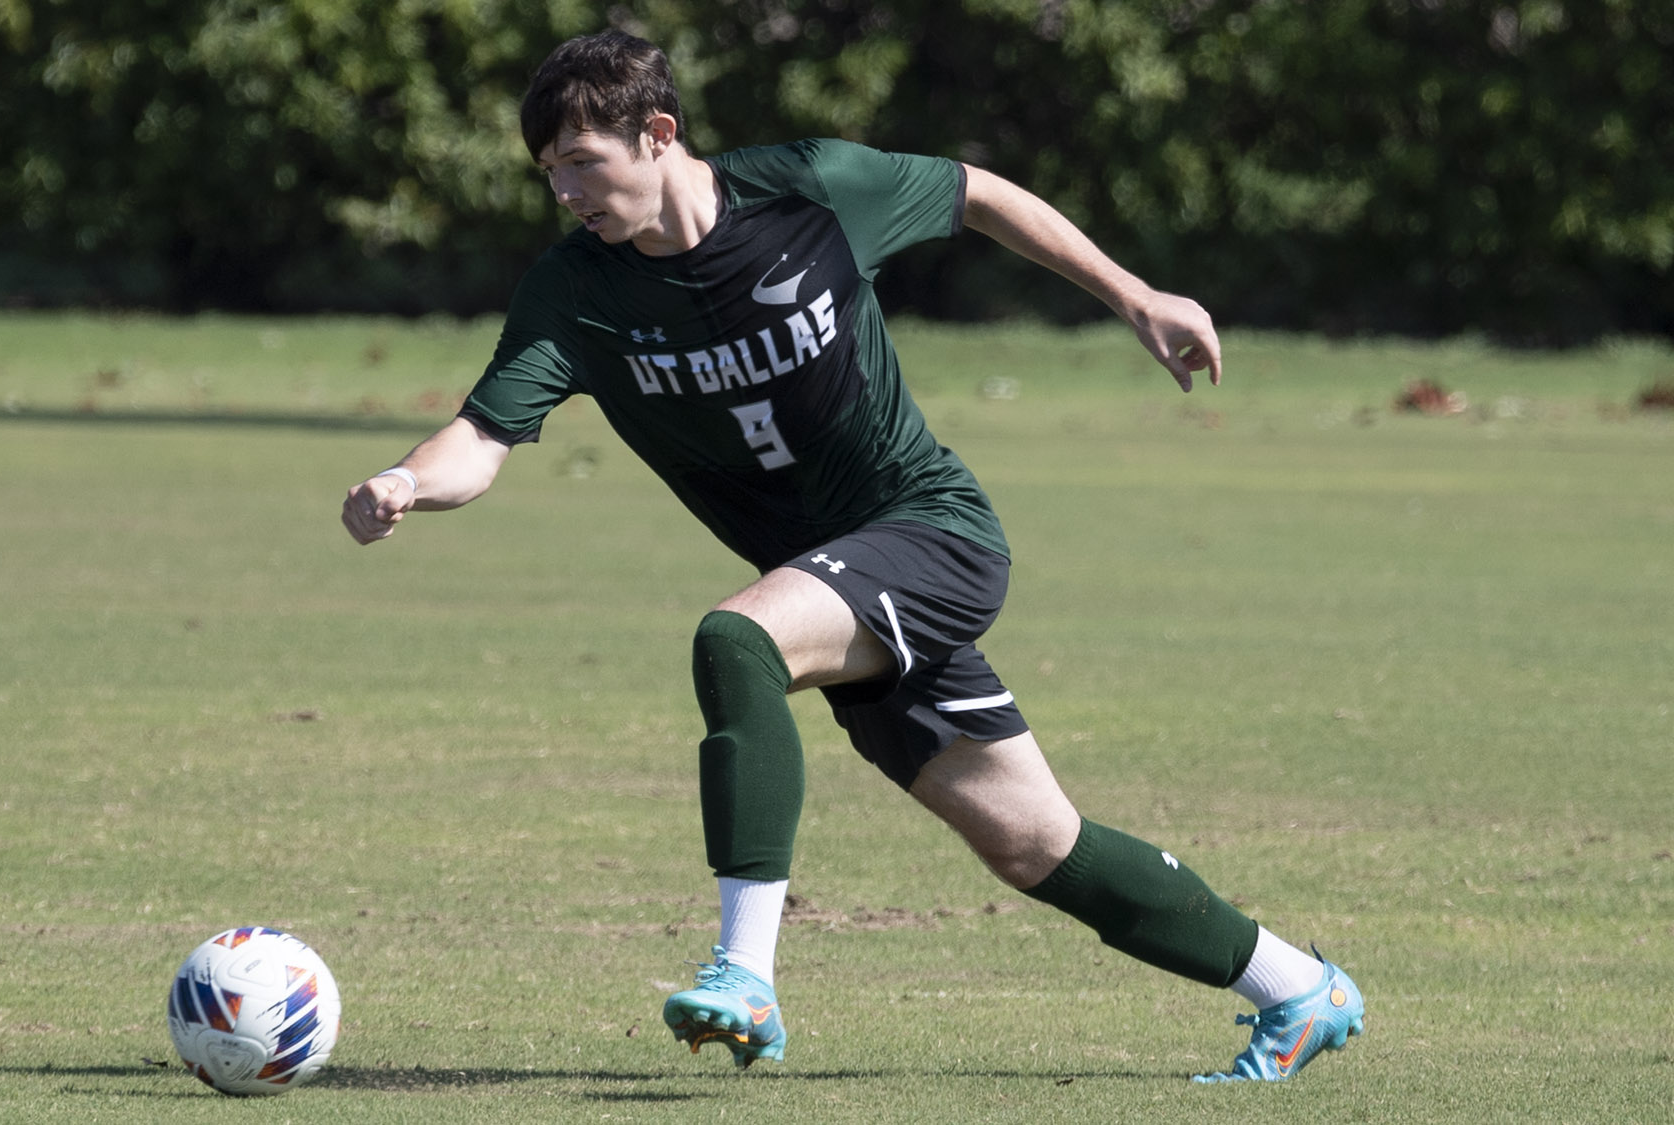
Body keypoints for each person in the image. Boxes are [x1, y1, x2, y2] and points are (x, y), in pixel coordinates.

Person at [343, 29, 1364, 1084]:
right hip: (836, 589)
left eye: (580, 161)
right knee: (1032, 842)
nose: (564, 192)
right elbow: (482, 436)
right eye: (548, 172)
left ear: (657, 133)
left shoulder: (812, 191)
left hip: (930, 532)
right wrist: (408, 481)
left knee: (737, 639)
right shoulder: (576, 292)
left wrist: (1133, 294)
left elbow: (976, 193)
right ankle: (1297, 988)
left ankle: (745, 974)